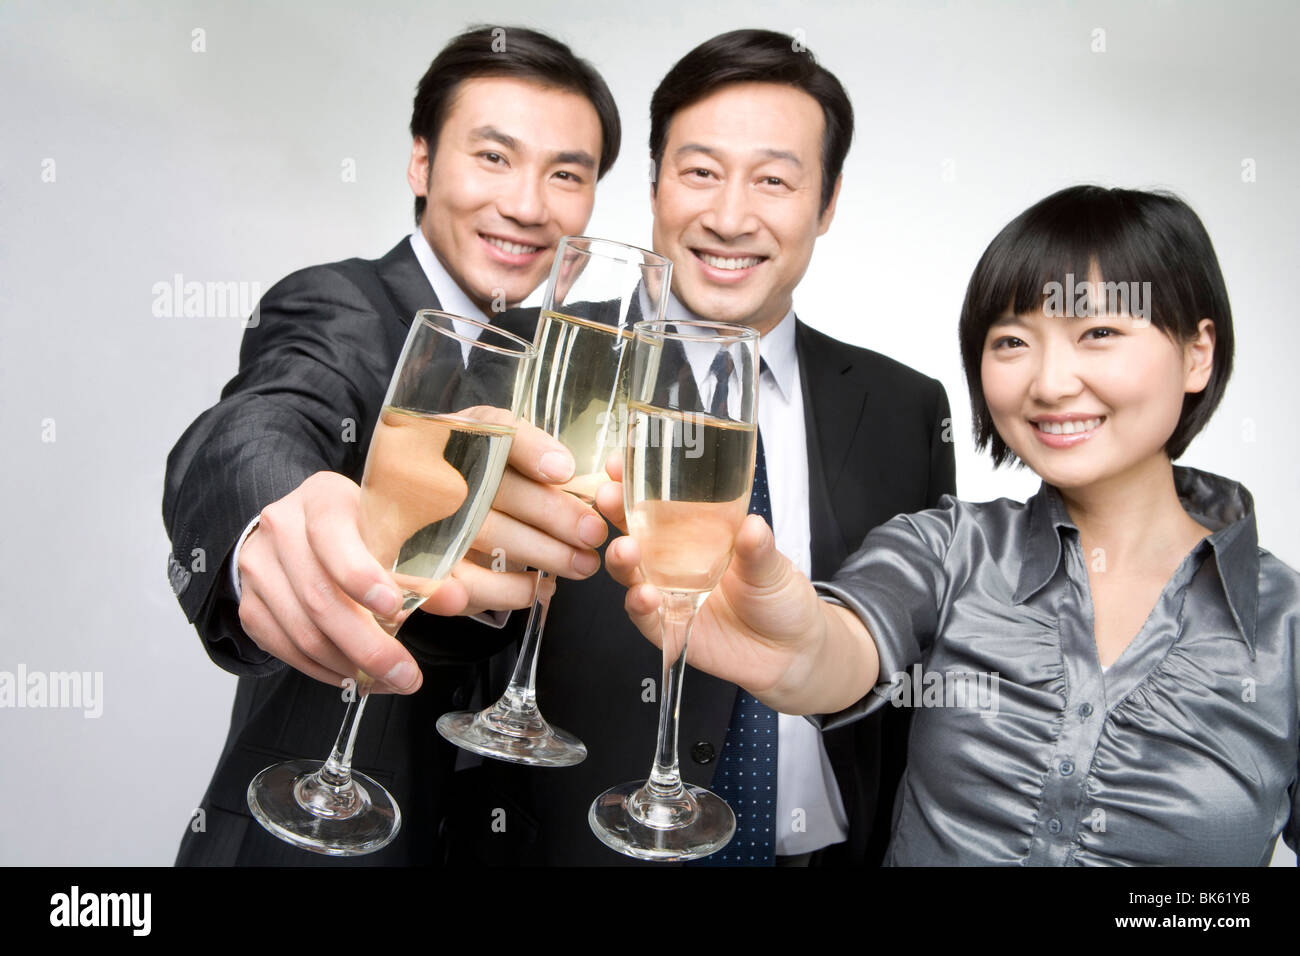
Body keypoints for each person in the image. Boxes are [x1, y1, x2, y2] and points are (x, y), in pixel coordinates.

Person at [602, 184, 1300, 865]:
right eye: (1012, 342)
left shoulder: (1287, 628)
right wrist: (797, 652)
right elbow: (843, 646)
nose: (1051, 383)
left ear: (1198, 353)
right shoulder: (948, 548)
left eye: (1100, 333)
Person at [441, 29, 955, 866]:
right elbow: (445, 615)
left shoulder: (906, 408)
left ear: (826, 206)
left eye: (775, 180)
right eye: (700, 171)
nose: (728, 217)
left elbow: (913, 663)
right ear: (652, 187)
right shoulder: (538, 350)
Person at [163, 25, 621, 865]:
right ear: (420, 163)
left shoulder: (555, 363)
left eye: (567, 174)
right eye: (493, 157)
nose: (527, 204)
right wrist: (271, 511)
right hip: (312, 840)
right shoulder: (344, 305)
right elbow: (260, 422)